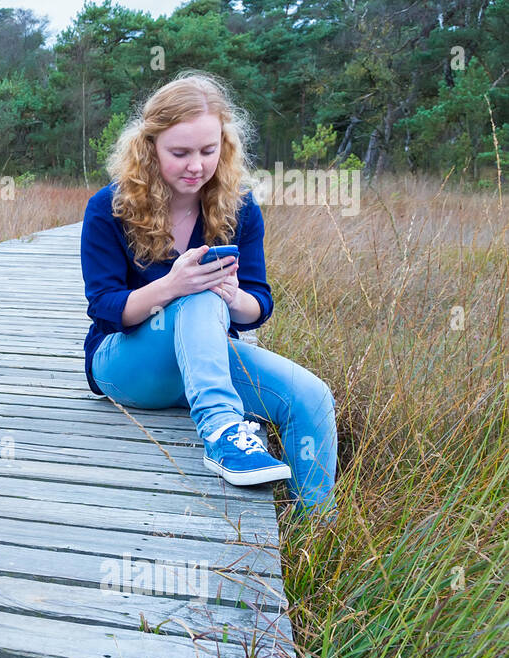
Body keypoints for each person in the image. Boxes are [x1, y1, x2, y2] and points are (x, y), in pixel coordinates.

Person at [80, 71, 337, 518]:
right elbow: (106, 310)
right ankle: (221, 430)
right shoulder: (109, 207)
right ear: (150, 147)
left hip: (203, 358)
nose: (196, 165)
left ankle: (314, 525)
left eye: (208, 150)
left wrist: (232, 295)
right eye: (179, 152)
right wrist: (173, 287)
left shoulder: (239, 207)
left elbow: (257, 305)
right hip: (126, 364)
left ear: (225, 146)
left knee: (312, 397)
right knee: (197, 292)